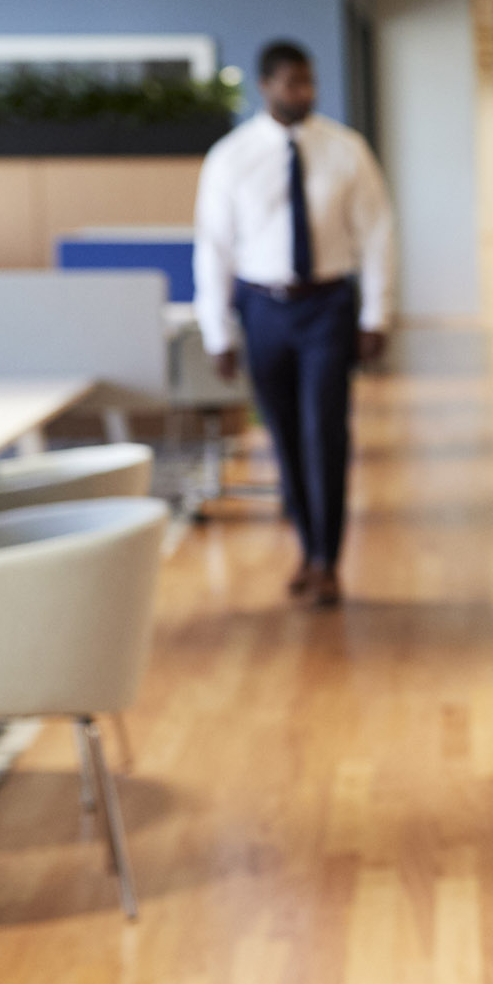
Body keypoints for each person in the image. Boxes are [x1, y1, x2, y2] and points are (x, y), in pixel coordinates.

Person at [195, 39, 397, 609]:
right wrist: (218, 332)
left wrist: (376, 313)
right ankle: (306, 547)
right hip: (262, 309)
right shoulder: (230, 158)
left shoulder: (346, 151)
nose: (303, 93)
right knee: (282, 435)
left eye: (308, 83)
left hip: (327, 305)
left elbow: (378, 234)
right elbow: (213, 249)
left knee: (325, 432)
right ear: (266, 86)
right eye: (291, 84)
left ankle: (327, 560)